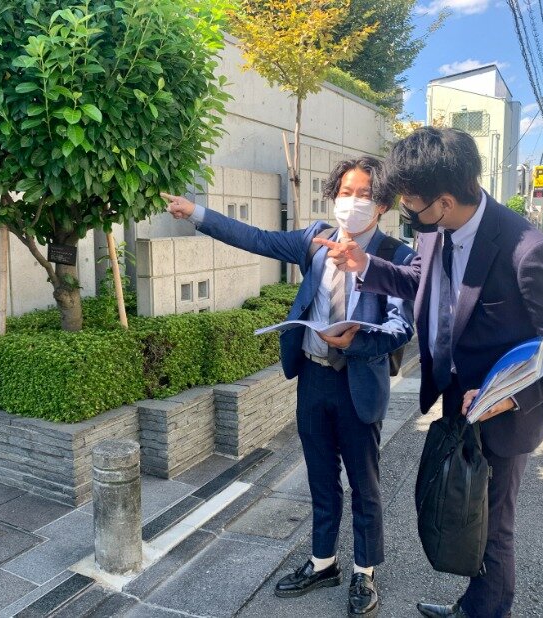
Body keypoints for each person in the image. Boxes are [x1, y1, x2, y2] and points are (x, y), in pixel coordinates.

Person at [317, 128, 543, 618]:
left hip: (503, 410)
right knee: (465, 513)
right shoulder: (436, 231)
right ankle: (474, 603)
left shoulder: (525, 250)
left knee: (493, 526)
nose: (407, 214)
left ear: (444, 202)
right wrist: (365, 264)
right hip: (455, 398)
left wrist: (509, 395)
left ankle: (485, 611)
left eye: (411, 205)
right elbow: (419, 281)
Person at [162, 156, 415, 618]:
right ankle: (323, 562)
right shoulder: (315, 239)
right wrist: (195, 213)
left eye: (364, 195)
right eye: (346, 192)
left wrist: (358, 341)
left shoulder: (396, 257)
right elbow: (257, 239)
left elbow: (401, 328)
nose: (352, 202)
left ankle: (364, 571)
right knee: (320, 476)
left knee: (365, 483)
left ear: (382, 205)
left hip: (359, 380)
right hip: (314, 376)